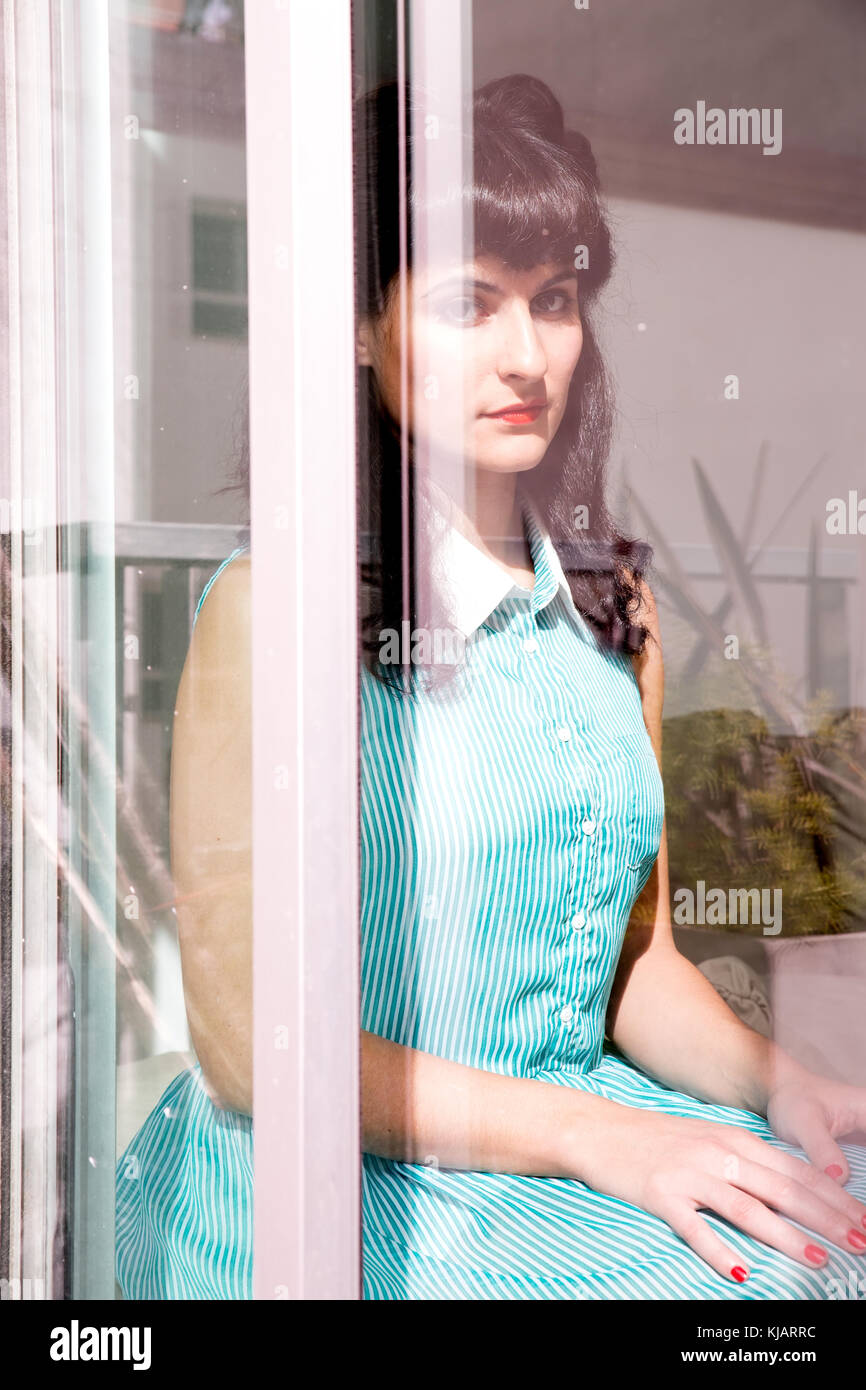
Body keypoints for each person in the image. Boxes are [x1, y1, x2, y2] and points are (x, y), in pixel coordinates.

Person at [116, 74, 866, 1300]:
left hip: (574, 1133)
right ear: (361, 328)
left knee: (828, 1244)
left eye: (554, 301)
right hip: (349, 1171)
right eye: (468, 302)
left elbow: (637, 969)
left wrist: (775, 1078)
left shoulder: (616, 611)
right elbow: (252, 1044)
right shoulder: (277, 610)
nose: (525, 355)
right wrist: (605, 1137)